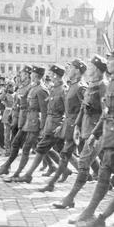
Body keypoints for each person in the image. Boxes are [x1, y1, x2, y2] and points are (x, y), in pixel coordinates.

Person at [72, 48, 114, 227]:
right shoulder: (113, 82)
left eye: (111, 60)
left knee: (107, 176)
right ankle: (89, 213)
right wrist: (95, 134)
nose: (108, 63)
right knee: (105, 176)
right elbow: (106, 113)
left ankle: (91, 214)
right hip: (109, 136)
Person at [53, 55, 108, 209]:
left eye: (90, 67)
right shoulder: (91, 85)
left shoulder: (103, 86)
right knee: (105, 165)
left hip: (97, 132)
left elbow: (105, 113)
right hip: (85, 129)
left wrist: (95, 134)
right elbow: (84, 108)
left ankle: (70, 198)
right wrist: (77, 126)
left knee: (83, 163)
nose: (88, 69)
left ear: (97, 69)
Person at [39, 59, 87, 192]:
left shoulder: (81, 87)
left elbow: (85, 109)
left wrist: (78, 126)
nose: (68, 70)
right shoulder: (73, 85)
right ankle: (53, 183)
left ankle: (52, 183)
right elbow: (68, 110)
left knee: (72, 155)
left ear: (77, 70)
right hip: (69, 124)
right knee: (67, 154)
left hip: (77, 127)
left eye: (71, 67)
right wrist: (63, 124)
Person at [14, 65, 67, 184]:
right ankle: (66, 170)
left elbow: (50, 110)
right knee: (58, 149)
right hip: (49, 123)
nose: (50, 77)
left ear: (55, 75)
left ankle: (28, 174)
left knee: (42, 148)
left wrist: (45, 127)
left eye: (52, 74)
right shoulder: (52, 88)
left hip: (55, 124)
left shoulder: (62, 89)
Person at [4, 66, 49, 181]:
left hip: (35, 122)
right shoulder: (33, 87)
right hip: (27, 120)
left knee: (26, 148)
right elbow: (24, 101)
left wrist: (43, 128)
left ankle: (18, 173)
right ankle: (54, 166)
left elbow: (44, 111)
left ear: (36, 75)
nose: (31, 75)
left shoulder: (41, 90)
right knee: (23, 144)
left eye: (33, 74)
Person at [0, 66, 32, 176]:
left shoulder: (30, 87)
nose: (20, 76)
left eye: (23, 74)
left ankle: (9, 167)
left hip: (25, 120)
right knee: (15, 143)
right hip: (17, 118)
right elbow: (16, 103)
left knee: (38, 147)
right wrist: (11, 114)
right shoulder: (21, 87)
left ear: (28, 75)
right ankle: (7, 166)